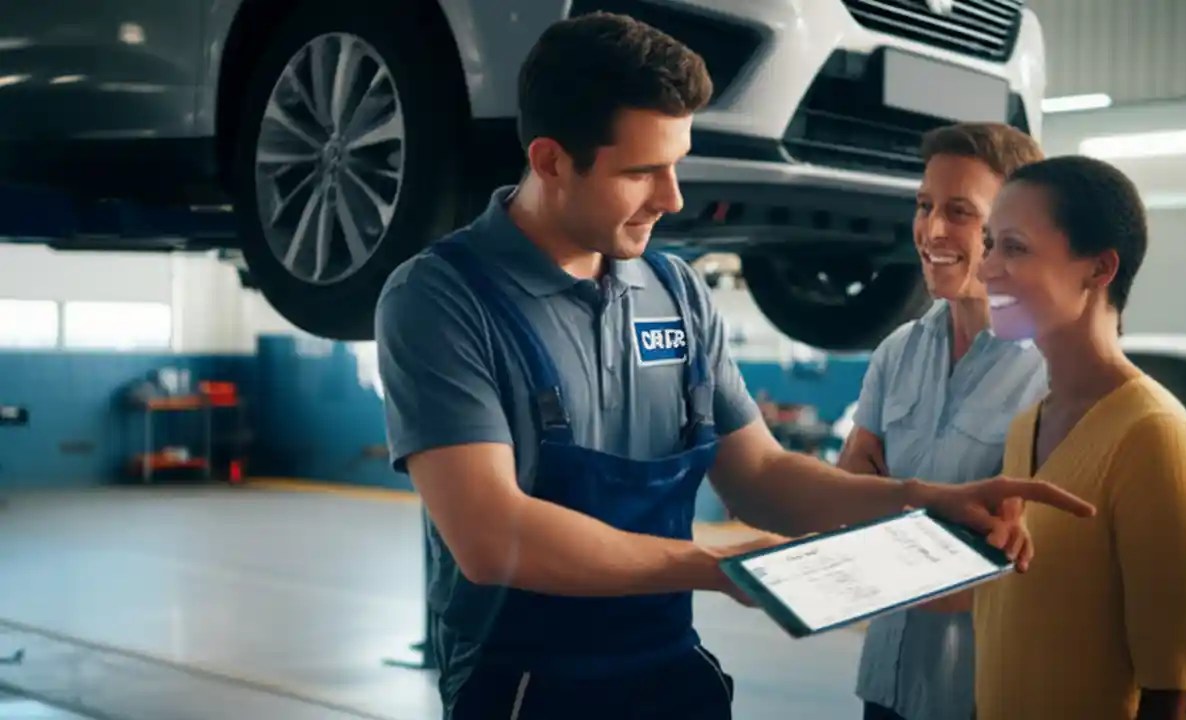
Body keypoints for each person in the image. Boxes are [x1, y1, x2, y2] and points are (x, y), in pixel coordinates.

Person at [375, 13, 1094, 720]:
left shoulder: (676, 291)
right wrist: (715, 568)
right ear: (551, 161)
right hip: (525, 689)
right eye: (642, 172)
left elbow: (762, 478)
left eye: (677, 164)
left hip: (668, 674)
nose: (674, 197)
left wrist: (919, 497)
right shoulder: (442, 299)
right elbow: (493, 539)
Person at [971, 155, 1186, 719]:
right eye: (989, 245)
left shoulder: (1154, 439)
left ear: (1099, 268)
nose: (986, 268)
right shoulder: (1025, 428)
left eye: (1013, 247)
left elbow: (1178, 696)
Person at [838, 123, 1049, 720]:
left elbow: (1007, 568)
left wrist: (881, 519)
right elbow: (845, 503)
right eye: (925, 206)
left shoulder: (1051, 377)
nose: (932, 231)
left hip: (982, 699)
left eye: (959, 211)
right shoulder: (897, 352)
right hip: (886, 686)